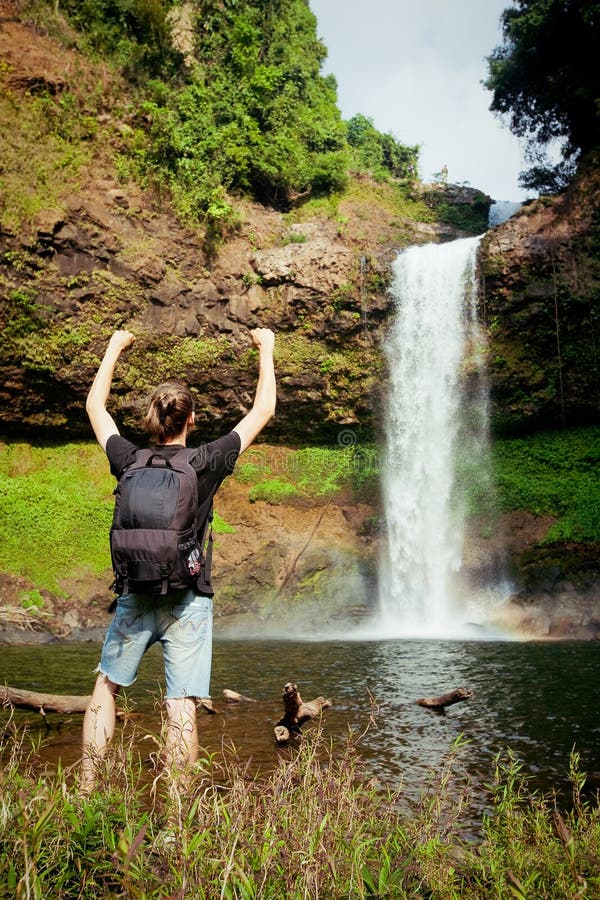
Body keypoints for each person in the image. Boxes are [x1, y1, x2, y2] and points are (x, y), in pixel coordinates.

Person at [81, 327, 276, 792]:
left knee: (105, 688)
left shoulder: (128, 459)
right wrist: (266, 348)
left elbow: (95, 408)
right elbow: (263, 410)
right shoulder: (206, 461)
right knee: (181, 703)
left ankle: (85, 792)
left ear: (153, 420)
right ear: (191, 419)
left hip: (134, 594)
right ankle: (177, 814)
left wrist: (114, 346)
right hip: (187, 600)